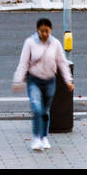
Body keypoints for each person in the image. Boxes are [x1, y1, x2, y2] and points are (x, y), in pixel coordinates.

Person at [12, 17, 75, 151]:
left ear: (50, 30)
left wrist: (68, 80)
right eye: (42, 31)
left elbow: (62, 63)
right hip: (34, 80)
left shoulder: (56, 44)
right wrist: (18, 80)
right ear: (38, 31)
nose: (44, 34)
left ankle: (44, 136)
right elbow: (23, 63)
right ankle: (36, 137)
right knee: (37, 109)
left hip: (49, 81)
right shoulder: (30, 43)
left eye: (47, 31)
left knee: (45, 111)